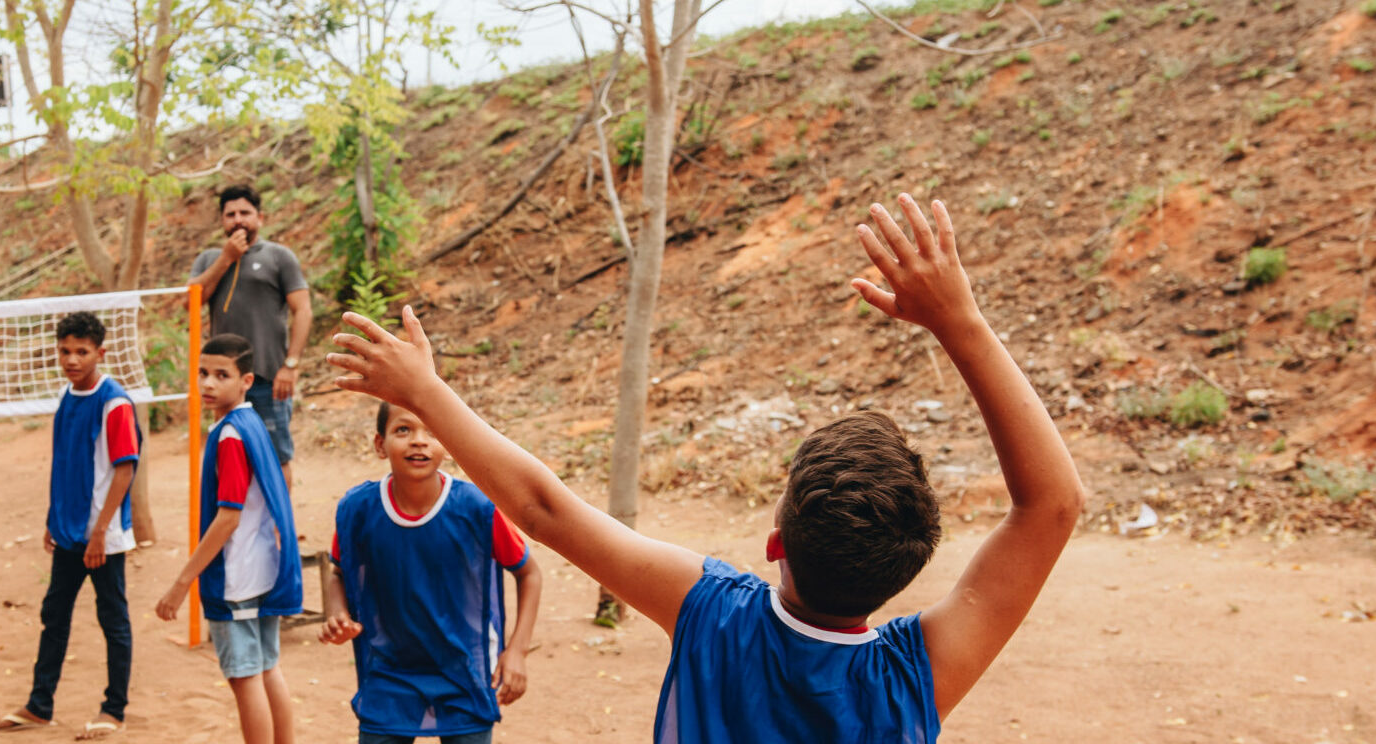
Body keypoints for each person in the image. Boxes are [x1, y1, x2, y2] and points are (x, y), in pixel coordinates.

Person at [325, 196, 1086, 741]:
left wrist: (427, 390)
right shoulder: (916, 675)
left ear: (775, 540)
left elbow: (542, 509)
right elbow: (1051, 506)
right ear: (905, 567)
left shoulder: (716, 615)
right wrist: (960, 321)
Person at [320, 402, 543, 744]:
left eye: (432, 431)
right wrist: (337, 613)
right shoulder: (358, 510)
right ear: (380, 444)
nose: (419, 441)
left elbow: (529, 573)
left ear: (449, 444)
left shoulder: (477, 508)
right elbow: (338, 571)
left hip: (464, 672)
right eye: (403, 429)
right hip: (388, 673)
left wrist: (517, 651)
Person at [0, 311, 142, 740]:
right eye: (65, 351)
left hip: (101, 536)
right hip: (69, 531)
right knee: (54, 615)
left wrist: (100, 532)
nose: (72, 359)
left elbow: (125, 469)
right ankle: (40, 705)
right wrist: (52, 519)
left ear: (100, 353)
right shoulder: (65, 395)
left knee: (112, 619)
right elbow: (65, 463)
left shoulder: (114, 403)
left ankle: (114, 710)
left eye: (82, 351)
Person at [154, 333, 302, 744]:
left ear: (246, 380)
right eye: (203, 373)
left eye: (222, 375)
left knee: (244, 676)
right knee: (267, 666)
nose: (208, 383)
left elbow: (227, 518)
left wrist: (182, 582)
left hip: (237, 577)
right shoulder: (251, 423)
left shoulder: (231, 436)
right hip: (264, 567)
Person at [189, 185, 311, 489]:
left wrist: (291, 365)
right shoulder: (209, 259)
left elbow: (303, 310)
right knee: (229, 453)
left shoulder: (279, 257)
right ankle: (235, 516)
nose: (238, 220)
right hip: (224, 380)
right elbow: (191, 302)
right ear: (222, 220)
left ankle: (278, 518)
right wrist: (226, 258)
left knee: (276, 458)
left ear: (260, 217)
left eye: (245, 212)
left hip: (269, 378)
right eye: (230, 214)